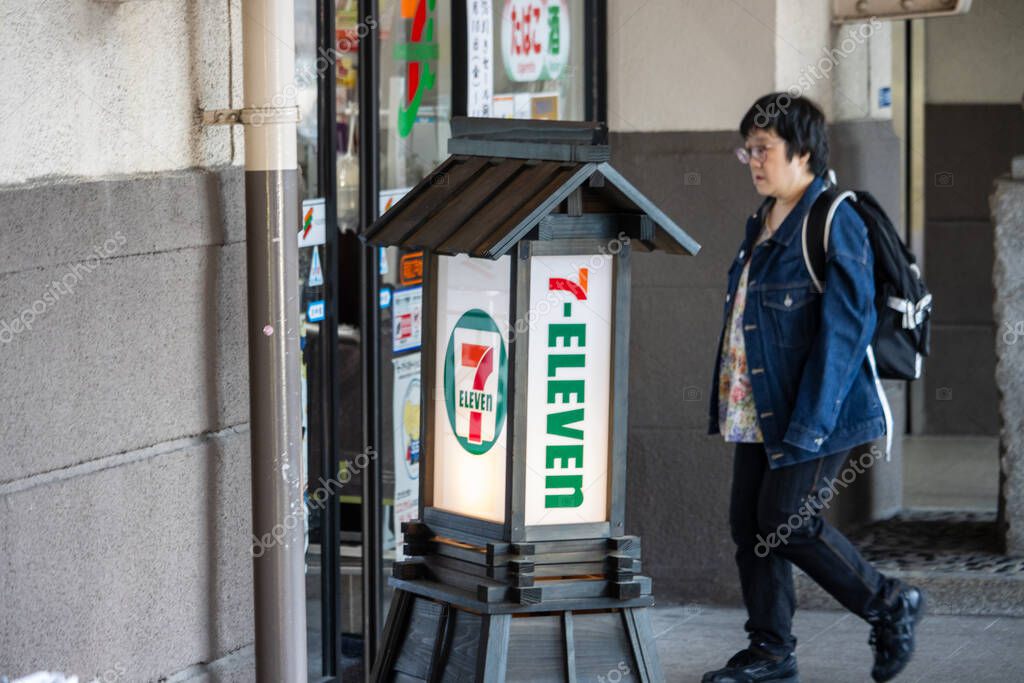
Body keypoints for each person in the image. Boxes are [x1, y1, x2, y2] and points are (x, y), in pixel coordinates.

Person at [702, 93, 926, 683]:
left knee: (786, 519)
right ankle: (771, 651)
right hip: (758, 404)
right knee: (749, 526)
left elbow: (846, 332)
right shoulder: (764, 217)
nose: (752, 159)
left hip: (816, 409)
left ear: (802, 151)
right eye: (747, 148)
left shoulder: (832, 217)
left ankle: (889, 602)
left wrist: (813, 419)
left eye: (763, 148)